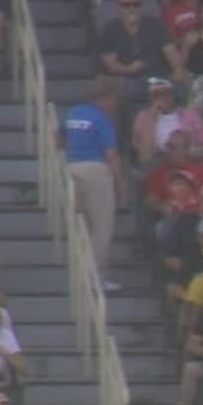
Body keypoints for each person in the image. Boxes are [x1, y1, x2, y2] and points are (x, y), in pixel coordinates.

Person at [65, 77, 125, 291]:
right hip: (96, 171)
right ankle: (96, 279)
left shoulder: (73, 114)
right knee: (101, 228)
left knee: (81, 227)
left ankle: (79, 274)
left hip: (71, 169)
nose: (115, 104)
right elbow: (112, 154)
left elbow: (57, 139)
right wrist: (119, 184)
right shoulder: (102, 119)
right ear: (107, 97)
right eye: (114, 99)